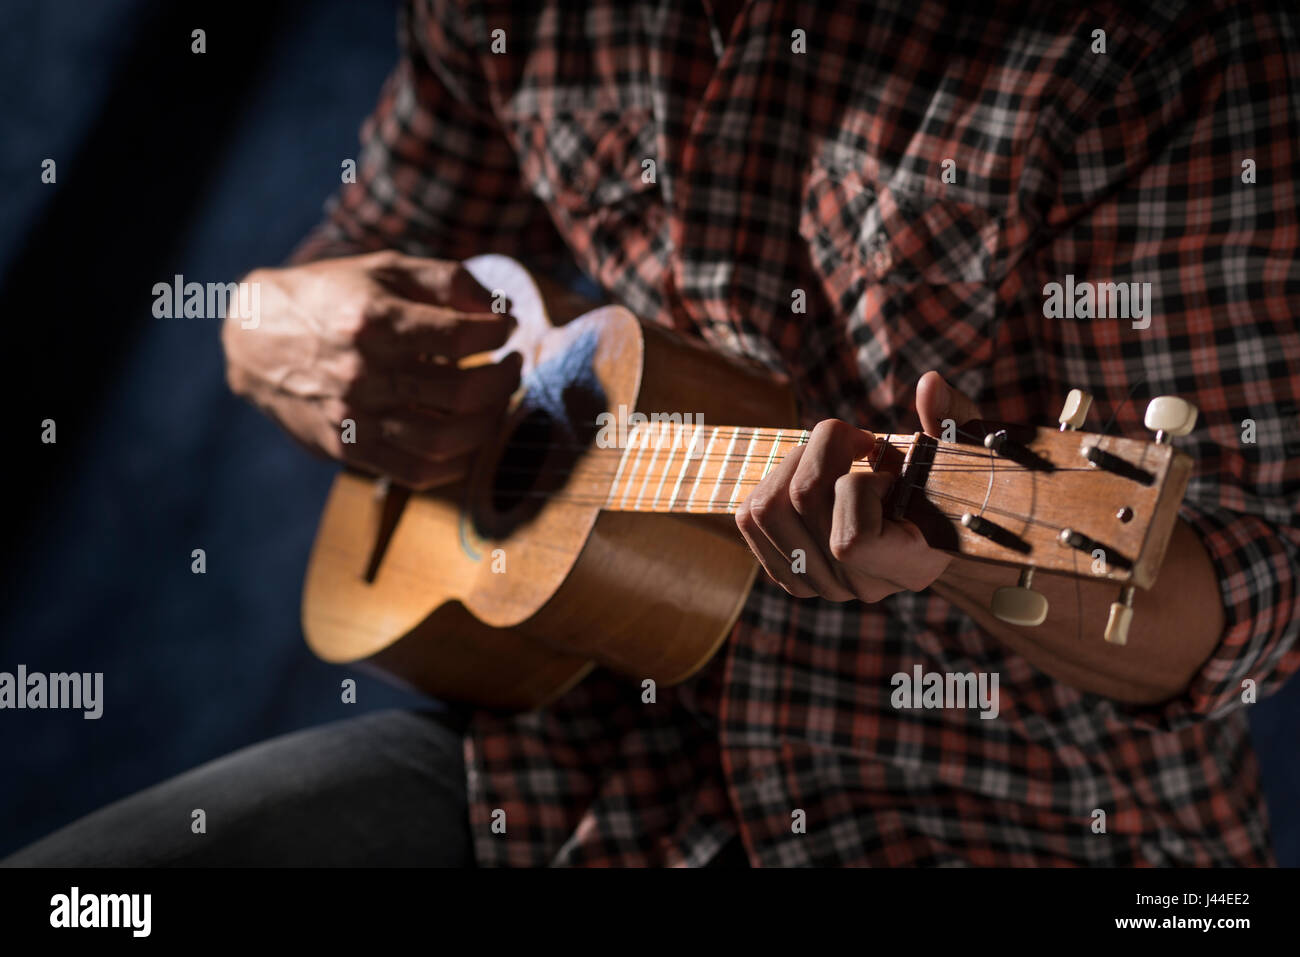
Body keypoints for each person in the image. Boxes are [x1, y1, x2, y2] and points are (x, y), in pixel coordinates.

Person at [6, 0, 1298, 867]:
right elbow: (362, 255)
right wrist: (269, 329)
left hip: (1006, 811)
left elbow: (1237, 584)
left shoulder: (1163, 51)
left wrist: (963, 552)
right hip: (565, 770)